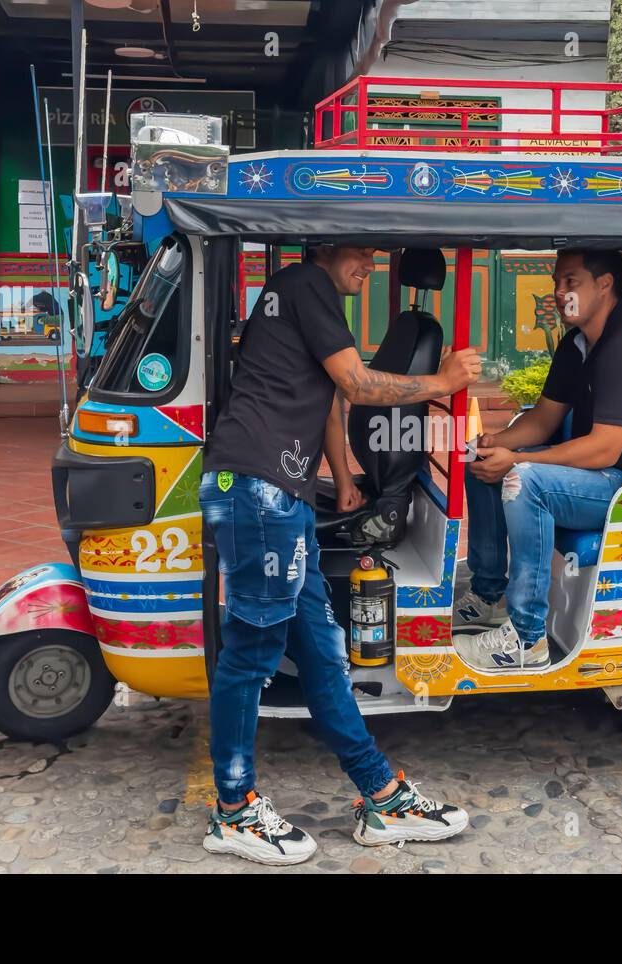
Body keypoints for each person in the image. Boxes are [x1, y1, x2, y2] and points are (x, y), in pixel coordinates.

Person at [200, 244, 481, 866]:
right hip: (258, 487)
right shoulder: (305, 283)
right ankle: (233, 810)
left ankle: (381, 798)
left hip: (280, 491)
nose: (370, 264)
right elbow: (356, 384)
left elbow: (327, 397)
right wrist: (445, 382)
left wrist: (340, 475)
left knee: (324, 650)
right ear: (327, 246)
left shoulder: (302, 292)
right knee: (250, 655)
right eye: (360, 251)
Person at [453, 249, 622, 671]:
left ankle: (527, 639)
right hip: (601, 475)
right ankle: (490, 595)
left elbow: (605, 448)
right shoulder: (577, 342)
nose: (559, 292)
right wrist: (497, 443)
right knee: (483, 460)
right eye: (556, 283)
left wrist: (517, 460)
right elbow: (545, 418)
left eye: (571, 282)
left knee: (522, 480)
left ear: (605, 284)